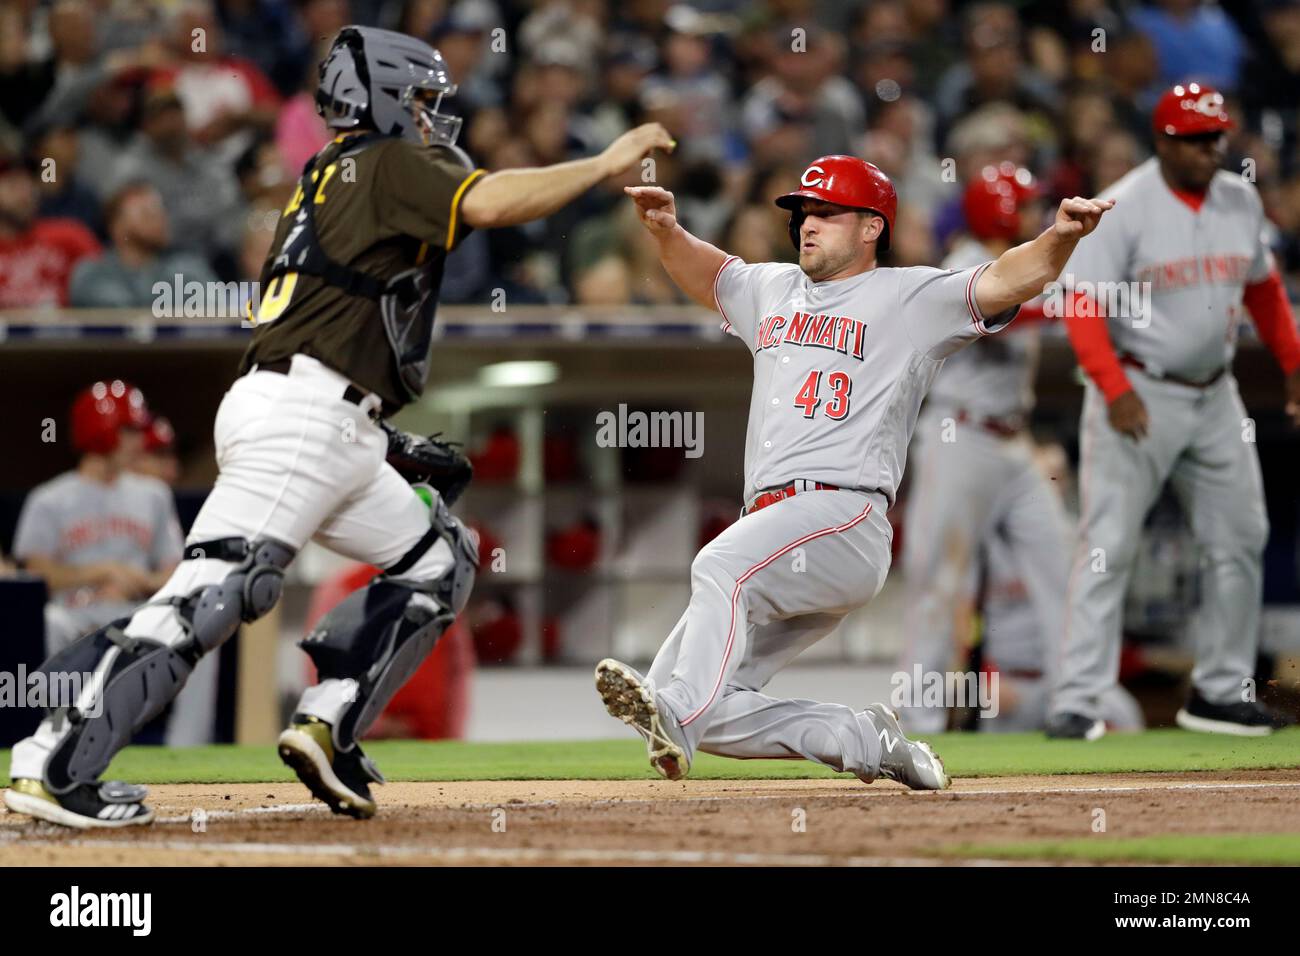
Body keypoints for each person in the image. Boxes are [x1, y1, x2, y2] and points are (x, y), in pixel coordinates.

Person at [4, 25, 673, 829]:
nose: (431, 118)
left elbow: (334, 319)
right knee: (212, 593)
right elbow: (491, 202)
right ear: (386, 97)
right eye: (422, 101)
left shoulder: (333, 173)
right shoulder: (385, 160)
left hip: (327, 414)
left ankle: (329, 720)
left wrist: (383, 440)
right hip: (303, 413)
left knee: (436, 562)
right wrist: (602, 164)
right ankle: (52, 760)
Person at [596, 153, 1113, 786]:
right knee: (713, 704)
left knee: (716, 574)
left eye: (826, 213)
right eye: (803, 213)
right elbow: (712, 277)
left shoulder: (907, 297)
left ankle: (678, 716)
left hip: (842, 515)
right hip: (775, 529)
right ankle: (861, 739)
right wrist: (668, 234)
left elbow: (1008, 278)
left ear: (872, 227)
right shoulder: (774, 288)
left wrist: (1060, 236)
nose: (807, 224)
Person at [1048, 83, 1300, 740]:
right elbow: (1082, 306)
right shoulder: (1125, 205)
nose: (1208, 149)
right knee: (1107, 545)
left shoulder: (1239, 199)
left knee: (1240, 538)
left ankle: (1218, 691)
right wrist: (1113, 387)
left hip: (1215, 392)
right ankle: (1078, 700)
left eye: (1215, 137)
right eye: (1194, 138)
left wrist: (1296, 368)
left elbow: (1265, 292)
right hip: (1138, 389)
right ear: (1163, 139)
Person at [896, 163, 1070, 734]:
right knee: (941, 584)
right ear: (997, 210)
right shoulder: (961, 267)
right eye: (1022, 206)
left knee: (1062, 566)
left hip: (1013, 442)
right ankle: (919, 724)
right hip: (959, 438)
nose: (1030, 215)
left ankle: (1077, 704)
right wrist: (1081, 297)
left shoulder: (1021, 262)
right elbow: (1014, 313)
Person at [11, 381, 182, 653]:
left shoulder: (155, 495)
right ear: (100, 430)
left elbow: (175, 574)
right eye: (129, 431)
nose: (140, 441)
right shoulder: (49, 499)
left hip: (134, 610)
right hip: (72, 614)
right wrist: (101, 571)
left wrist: (135, 581)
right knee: (46, 621)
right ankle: (42, 697)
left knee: (188, 622)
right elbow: (34, 576)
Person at [69, 182, 216, 307]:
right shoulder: (92, 272)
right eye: (147, 214)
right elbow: (120, 316)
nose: (159, 220)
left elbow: (216, 305)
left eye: (160, 212)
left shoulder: (186, 266)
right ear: (117, 227)